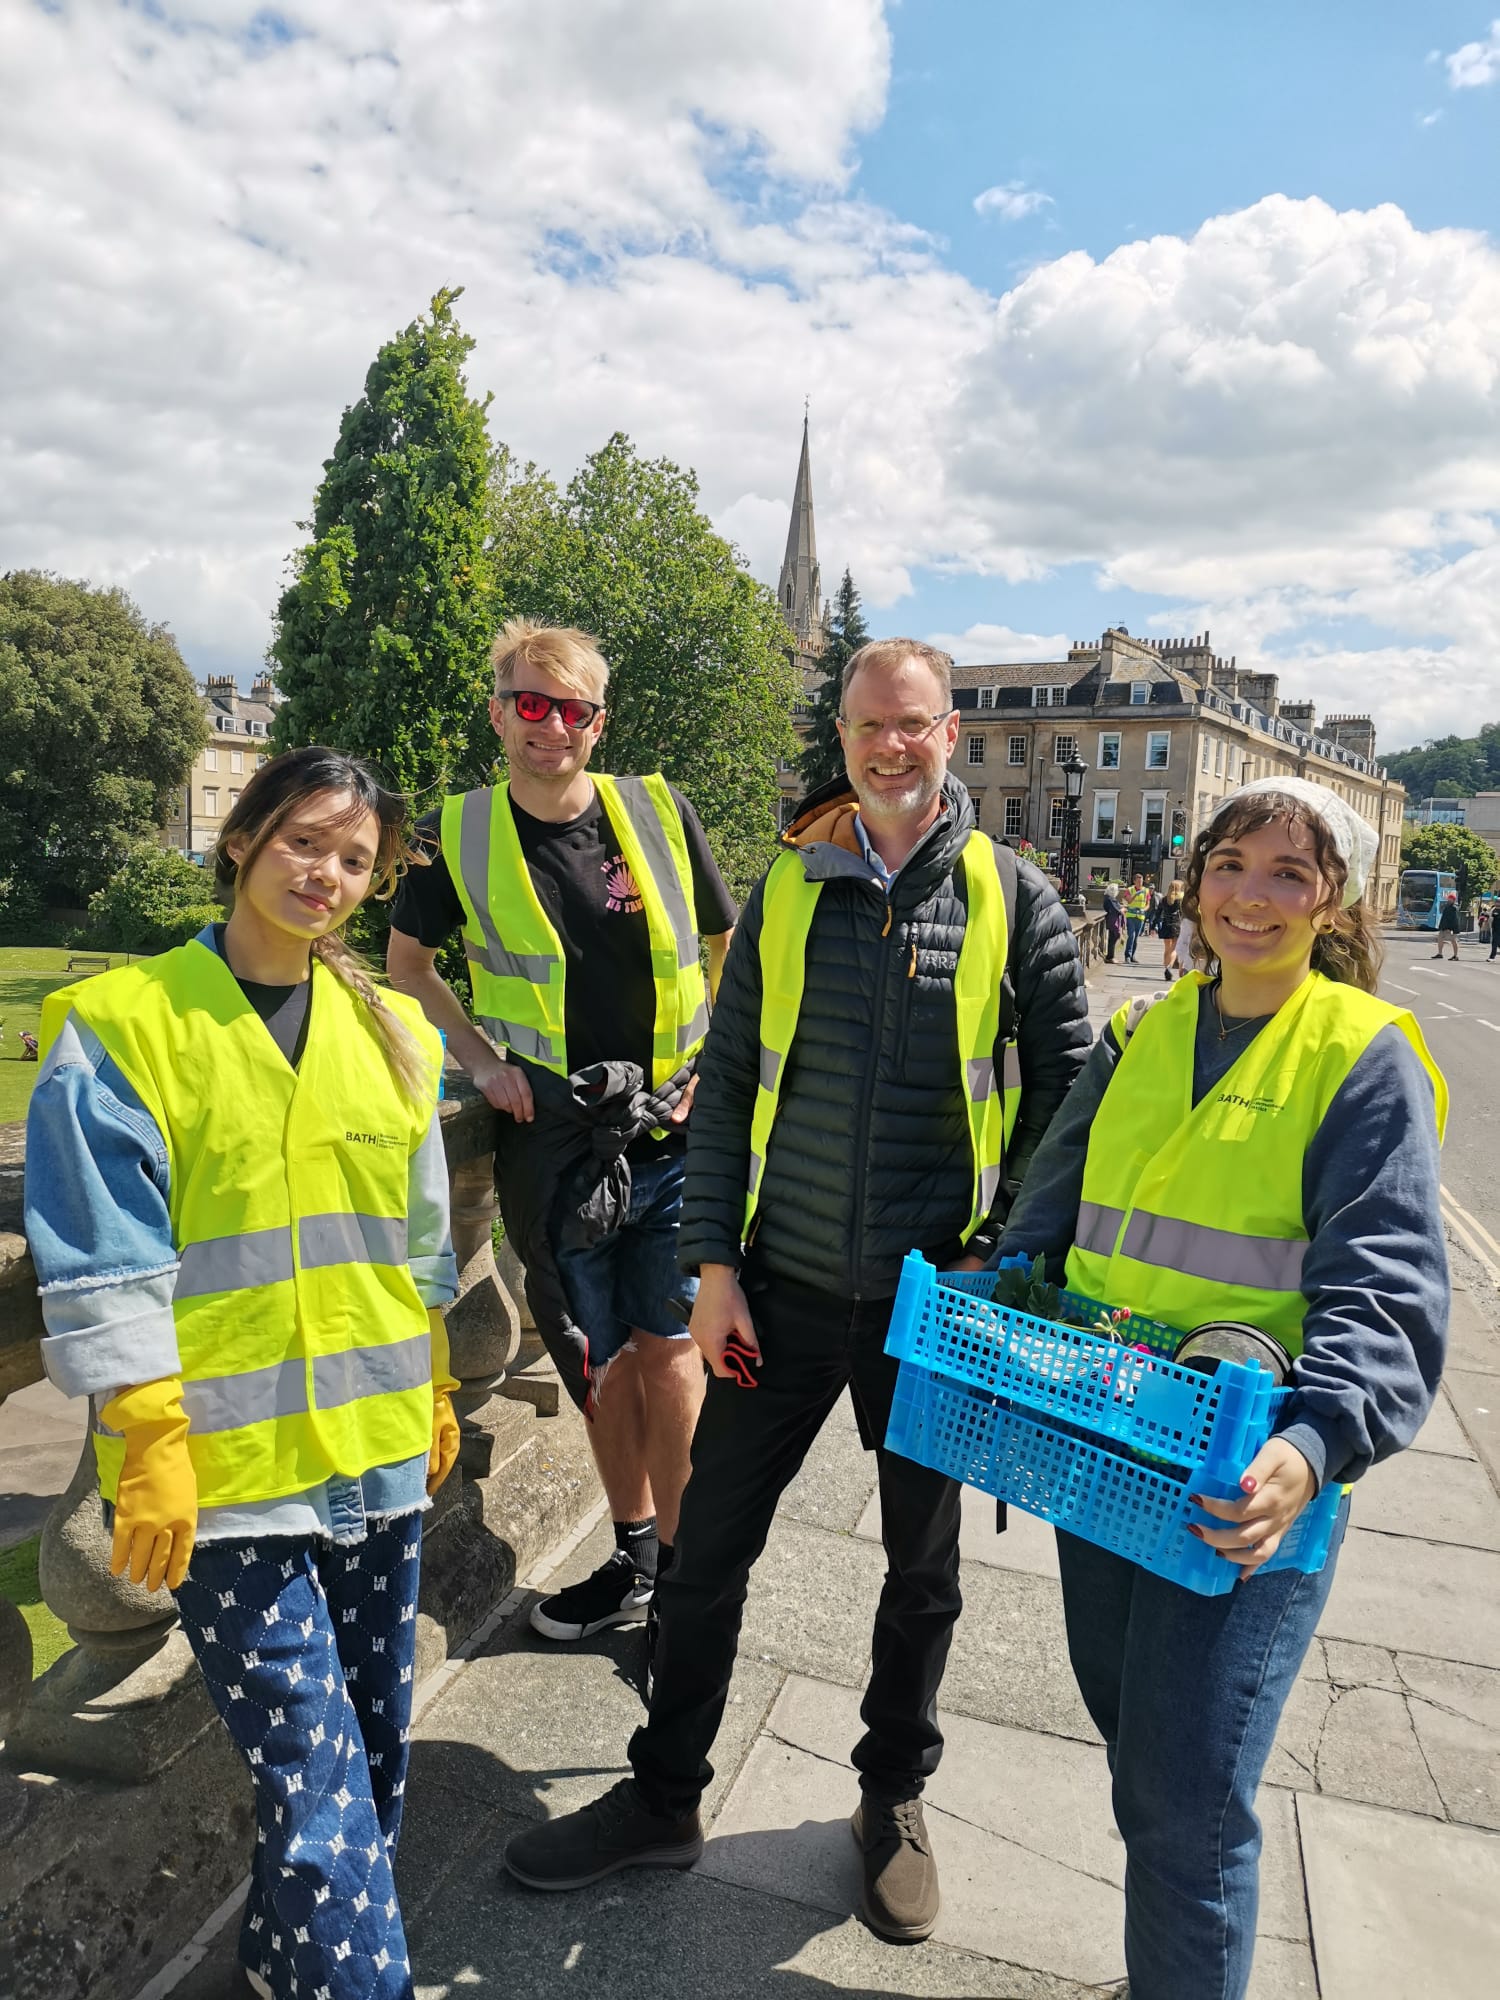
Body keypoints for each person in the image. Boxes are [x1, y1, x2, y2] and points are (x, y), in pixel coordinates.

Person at [503, 637, 1092, 1941]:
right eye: (868, 726)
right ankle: (665, 1794)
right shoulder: (788, 888)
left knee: (922, 1572)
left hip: (934, 1311)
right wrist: (712, 1266)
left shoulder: (1015, 896)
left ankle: (892, 1797)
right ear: (843, 738)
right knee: (705, 1553)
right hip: (778, 1289)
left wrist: (1003, 1255)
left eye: (915, 724)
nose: (891, 746)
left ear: (950, 735)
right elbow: (727, 1092)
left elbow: (1070, 1102)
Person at [991, 774, 1448, 2000]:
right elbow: (1048, 1207)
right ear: (1194, 881)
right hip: (1104, 1443)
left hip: (1245, 1479)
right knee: (1138, 1748)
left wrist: (1316, 1442)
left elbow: (1389, 1288)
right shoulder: (1141, 1031)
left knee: (1187, 1803)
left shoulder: (1361, 1056)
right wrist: (998, 1308)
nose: (1252, 895)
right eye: (1232, 865)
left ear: (1332, 900)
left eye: (1290, 873)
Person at [25, 748, 461, 2000]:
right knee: (316, 1784)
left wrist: (437, 1378)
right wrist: (150, 1434)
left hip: (378, 1457)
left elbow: (421, 1244)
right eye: (304, 841)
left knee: (371, 1754)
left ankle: (277, 1956)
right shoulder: (125, 1022)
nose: (326, 872)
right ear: (241, 838)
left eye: (355, 858)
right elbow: (102, 1256)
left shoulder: (395, 1032)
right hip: (223, 1481)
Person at [387, 619, 737, 1652]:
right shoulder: (455, 831)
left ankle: (683, 1574)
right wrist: (480, 1059)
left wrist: (713, 1067)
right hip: (553, 1138)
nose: (550, 725)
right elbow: (407, 964)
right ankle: (635, 1557)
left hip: (670, 1131)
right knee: (598, 1363)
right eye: (529, 704)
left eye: (571, 708)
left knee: (671, 1358)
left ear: (599, 721)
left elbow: (730, 949)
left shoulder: (659, 810)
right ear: (499, 713)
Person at [1156, 878, 1184, 979]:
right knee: (1174, 949)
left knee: (1167, 948)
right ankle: (1169, 967)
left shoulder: (1164, 899)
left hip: (1165, 925)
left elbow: (1158, 913)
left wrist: (1154, 925)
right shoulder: (1180, 900)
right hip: (1176, 925)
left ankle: (1166, 967)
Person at [1123, 872, 1150, 962]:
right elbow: (1129, 901)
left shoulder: (1146, 890)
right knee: (1131, 935)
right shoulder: (1129, 890)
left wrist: (1144, 910)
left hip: (1140, 916)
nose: (1140, 883)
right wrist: (1136, 894)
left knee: (1136, 937)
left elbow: (1148, 904)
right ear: (1134, 881)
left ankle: (1132, 956)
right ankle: (1127, 955)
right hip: (1131, 915)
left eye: (1141, 881)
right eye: (1138, 881)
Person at [1435, 889, 1461, 960]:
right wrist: (1441, 926)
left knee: (1453, 941)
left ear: (1453, 900)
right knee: (1440, 938)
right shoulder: (1447, 907)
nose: (1448, 900)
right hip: (1444, 927)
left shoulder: (1454, 908)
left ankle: (1455, 955)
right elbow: (1444, 918)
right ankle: (1440, 953)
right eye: (1448, 899)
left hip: (1451, 928)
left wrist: (1450, 929)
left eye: (1450, 899)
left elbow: (1454, 920)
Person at [1102, 883, 1124, 964]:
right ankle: (1110, 957)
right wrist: (1122, 910)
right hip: (1113, 921)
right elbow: (1116, 909)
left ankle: (1111, 956)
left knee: (1114, 937)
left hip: (1113, 920)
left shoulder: (1109, 898)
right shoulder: (1110, 899)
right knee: (1113, 938)